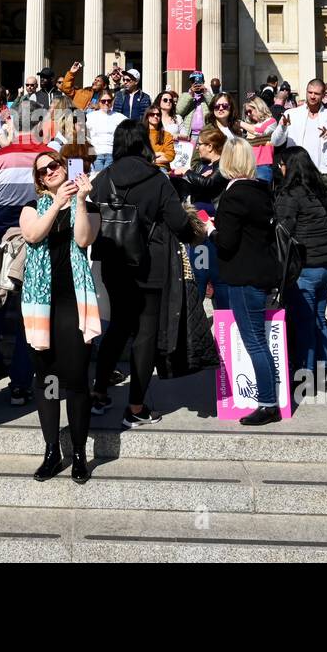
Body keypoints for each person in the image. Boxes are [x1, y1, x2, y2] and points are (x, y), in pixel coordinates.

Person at [88, 120, 199, 426]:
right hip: (150, 263)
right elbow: (178, 222)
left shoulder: (105, 176)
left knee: (119, 326)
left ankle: (98, 392)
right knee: (146, 332)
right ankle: (136, 407)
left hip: (113, 261)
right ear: (142, 142)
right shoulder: (157, 177)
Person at [21, 150, 101, 482]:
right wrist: (56, 203)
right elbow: (33, 235)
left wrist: (80, 200)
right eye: (44, 170)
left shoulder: (89, 205)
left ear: (65, 167)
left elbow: (83, 238)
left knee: (77, 378)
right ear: (39, 180)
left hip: (73, 301)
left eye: (55, 165)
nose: (51, 171)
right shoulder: (31, 208)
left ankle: (79, 453)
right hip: (41, 302)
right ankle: (52, 450)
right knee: (47, 378)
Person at [0, 110, 54, 405]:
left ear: (12, 127)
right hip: (36, 237)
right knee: (26, 315)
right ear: (40, 127)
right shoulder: (48, 156)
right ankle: (20, 384)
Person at [208, 138, 282, 427]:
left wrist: (210, 230)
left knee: (255, 342)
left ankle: (267, 403)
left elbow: (226, 244)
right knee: (258, 341)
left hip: (243, 276)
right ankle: (268, 400)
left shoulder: (234, 195)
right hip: (260, 272)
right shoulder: (260, 190)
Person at [274, 146, 327, 382]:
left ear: (288, 166)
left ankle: (306, 373)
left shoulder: (289, 194)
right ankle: (322, 370)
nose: (279, 168)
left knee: (303, 322)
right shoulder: (320, 190)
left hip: (305, 266)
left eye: (281, 164)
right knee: (318, 318)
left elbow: (282, 229)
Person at [176, 126, 230, 310]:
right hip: (199, 228)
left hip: (214, 227)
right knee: (199, 273)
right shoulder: (202, 166)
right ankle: (194, 318)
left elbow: (208, 185)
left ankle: (225, 320)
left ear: (211, 146)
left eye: (200, 144)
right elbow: (192, 186)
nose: (198, 147)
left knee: (217, 276)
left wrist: (188, 173)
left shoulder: (224, 166)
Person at [272, 78, 327, 174]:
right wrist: (282, 127)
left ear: (323, 95)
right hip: (296, 172)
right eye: (310, 92)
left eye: (316, 93)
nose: (312, 96)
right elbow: (275, 142)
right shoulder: (291, 114)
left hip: (323, 173)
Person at [85, 91, 125, 172]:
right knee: (98, 179)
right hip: (96, 154)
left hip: (112, 154)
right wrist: (91, 153)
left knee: (108, 180)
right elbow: (84, 135)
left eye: (109, 101)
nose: (106, 103)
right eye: (103, 101)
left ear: (112, 101)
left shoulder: (119, 117)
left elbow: (130, 130)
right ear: (99, 102)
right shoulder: (90, 116)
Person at [241, 97, 277, 182]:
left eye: (250, 111)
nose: (248, 115)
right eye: (246, 112)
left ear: (258, 107)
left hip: (262, 165)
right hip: (246, 166)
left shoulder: (271, 121)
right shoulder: (248, 125)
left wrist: (240, 123)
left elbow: (260, 131)